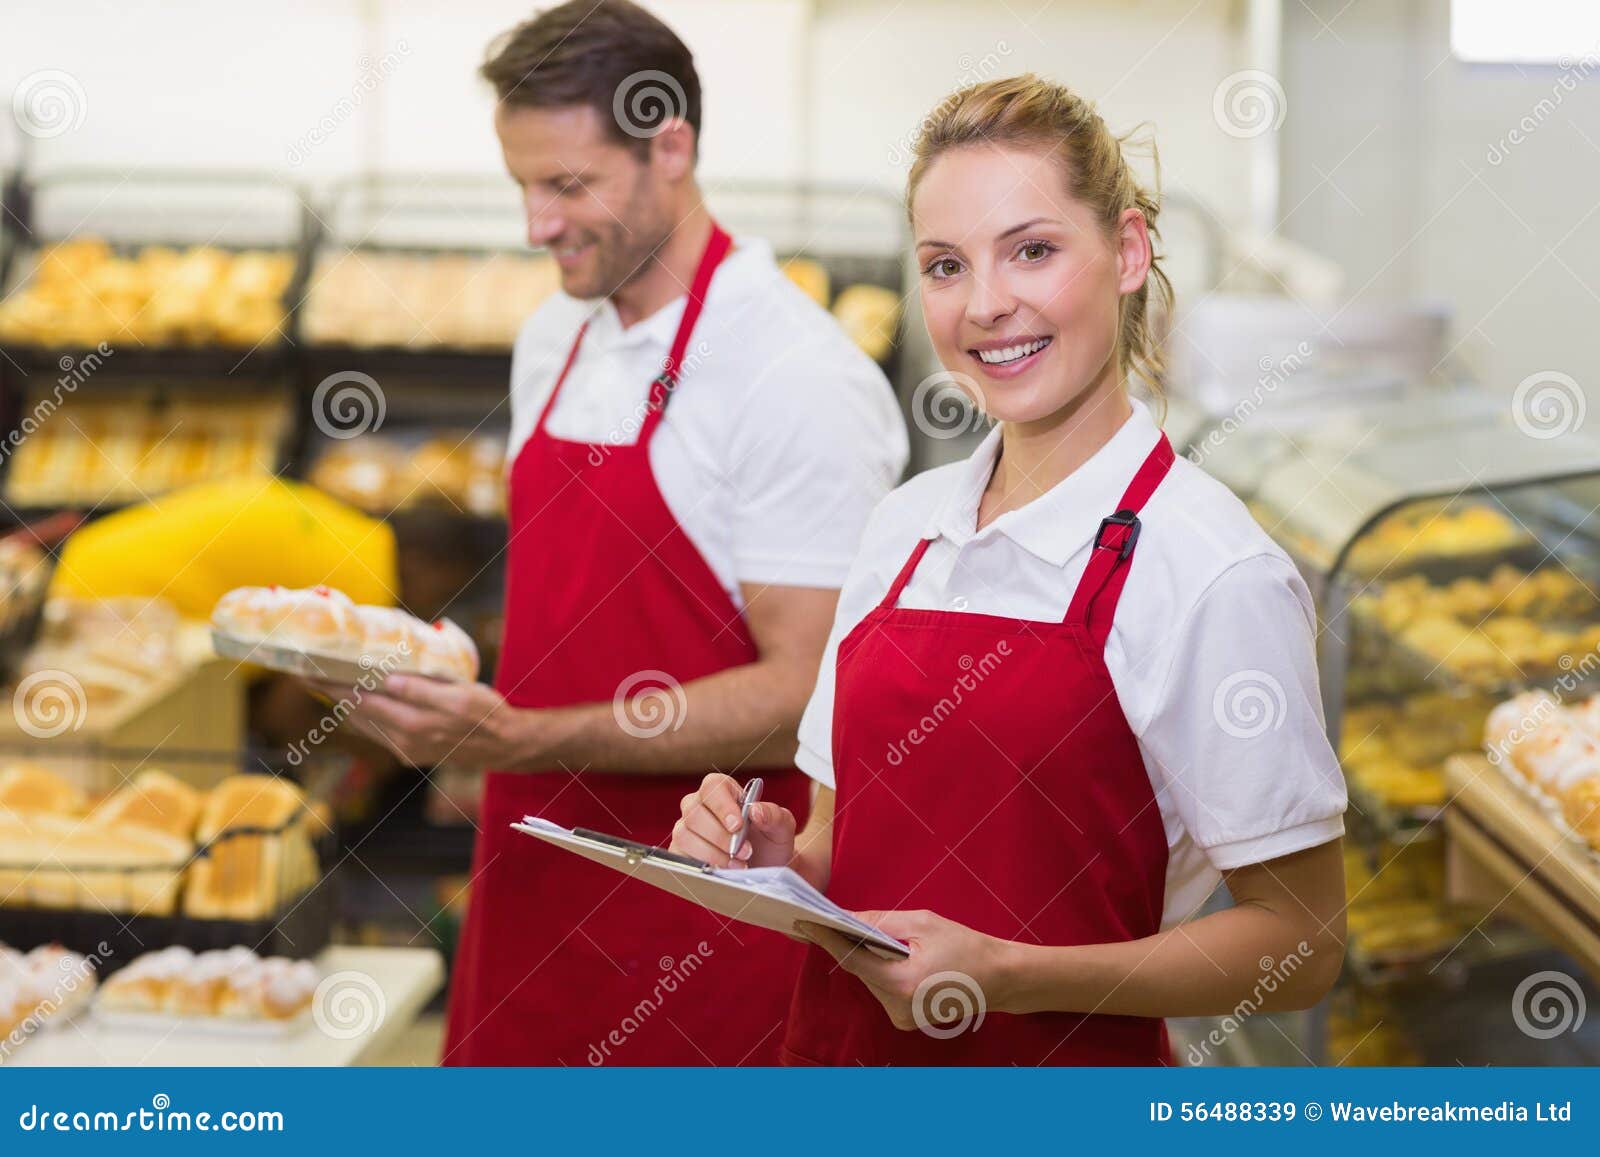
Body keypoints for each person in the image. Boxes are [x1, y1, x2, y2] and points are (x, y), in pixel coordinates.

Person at [670, 74, 1347, 1066]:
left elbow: (1303, 941)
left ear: (1125, 251)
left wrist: (1013, 971)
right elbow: (833, 840)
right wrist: (774, 867)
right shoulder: (901, 528)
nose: (985, 305)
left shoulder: (1211, 568)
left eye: (1031, 250)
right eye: (945, 265)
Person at [329, 0, 907, 1065]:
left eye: (568, 186)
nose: (535, 226)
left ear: (670, 146)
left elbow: (803, 698)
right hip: (530, 889)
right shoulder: (553, 334)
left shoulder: (798, 375)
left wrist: (524, 738)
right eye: (522, 187)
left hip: (703, 934)